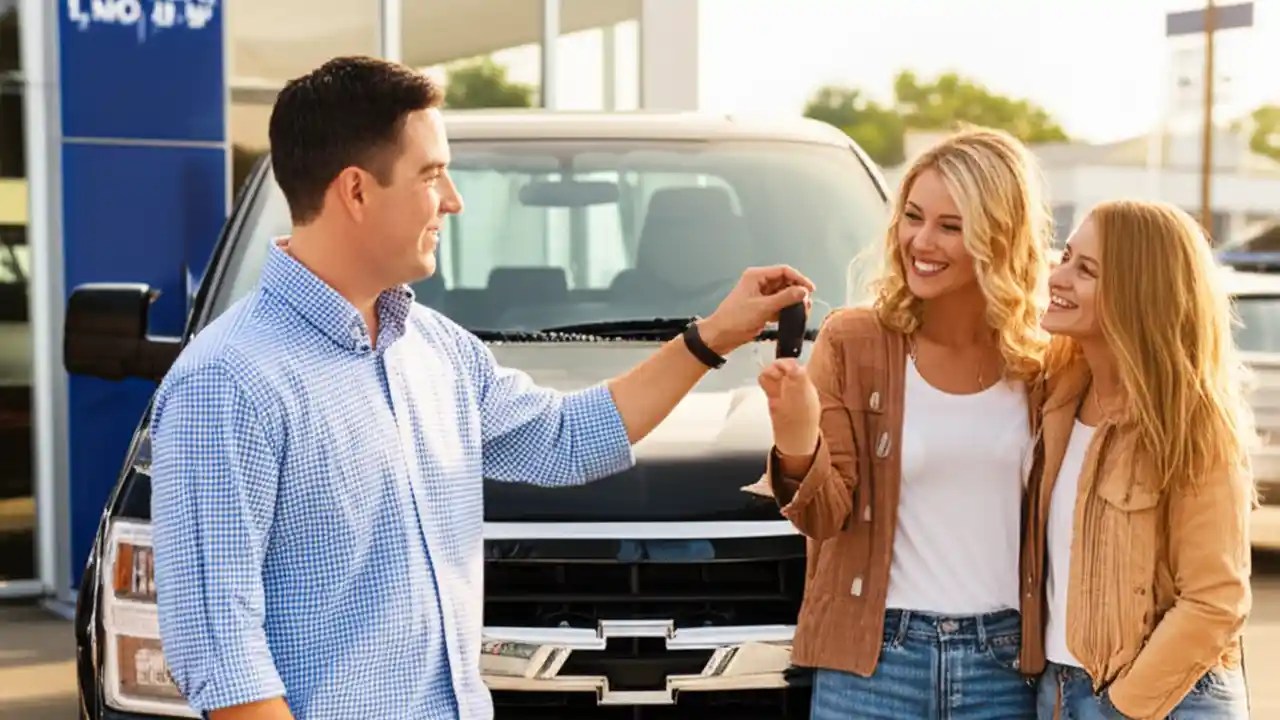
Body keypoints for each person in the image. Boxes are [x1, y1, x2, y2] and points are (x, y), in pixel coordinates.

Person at [147, 56, 813, 720]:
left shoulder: (436, 350)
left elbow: (569, 439)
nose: (453, 201)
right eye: (432, 175)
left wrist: (713, 337)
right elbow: (222, 653)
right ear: (356, 192)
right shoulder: (226, 384)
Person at [757, 126, 1054, 719]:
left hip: (1003, 665)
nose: (921, 240)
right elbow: (823, 515)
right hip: (875, 662)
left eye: (951, 225)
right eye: (913, 216)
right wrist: (795, 437)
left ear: (999, 236)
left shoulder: (1043, 362)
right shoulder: (854, 340)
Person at [1028, 200, 1254, 719]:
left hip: (1164, 702)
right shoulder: (1056, 397)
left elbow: (1215, 599)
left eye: (1085, 270)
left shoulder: (1192, 421)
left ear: (1137, 293)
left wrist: (1124, 706)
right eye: (1065, 256)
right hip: (1059, 693)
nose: (1056, 276)